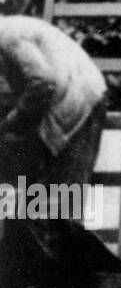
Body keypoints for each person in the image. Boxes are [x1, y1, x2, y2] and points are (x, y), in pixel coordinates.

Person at [0, 16, 106, 197]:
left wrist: (11, 121)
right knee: (40, 199)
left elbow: (42, 83)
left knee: (61, 201)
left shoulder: (8, 34)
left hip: (78, 100)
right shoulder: (10, 30)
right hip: (65, 100)